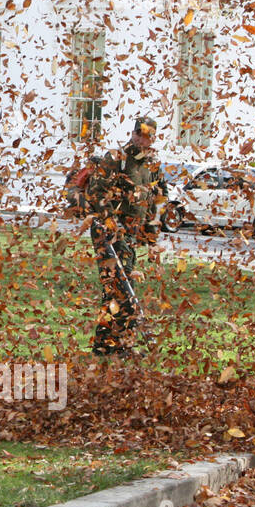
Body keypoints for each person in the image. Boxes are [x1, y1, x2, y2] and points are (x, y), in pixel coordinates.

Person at [84, 115, 167, 356]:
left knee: (124, 287)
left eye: (149, 136)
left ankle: (116, 344)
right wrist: (112, 225)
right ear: (133, 133)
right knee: (118, 287)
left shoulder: (151, 164)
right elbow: (97, 193)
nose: (144, 139)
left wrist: (152, 241)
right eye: (140, 134)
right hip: (108, 233)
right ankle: (108, 345)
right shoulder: (116, 158)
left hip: (131, 233)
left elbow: (156, 201)